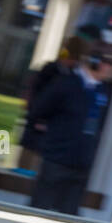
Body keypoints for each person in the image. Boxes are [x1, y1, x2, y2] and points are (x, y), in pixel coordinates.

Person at [27, 46, 112, 215]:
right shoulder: (66, 84)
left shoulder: (104, 91)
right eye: (107, 63)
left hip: (82, 163)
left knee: (69, 216)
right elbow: (38, 111)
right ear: (95, 62)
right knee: (39, 210)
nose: (110, 68)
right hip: (57, 158)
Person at [19, 34, 88, 173]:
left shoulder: (63, 72)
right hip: (42, 122)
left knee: (32, 160)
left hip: (46, 123)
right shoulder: (57, 72)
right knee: (32, 160)